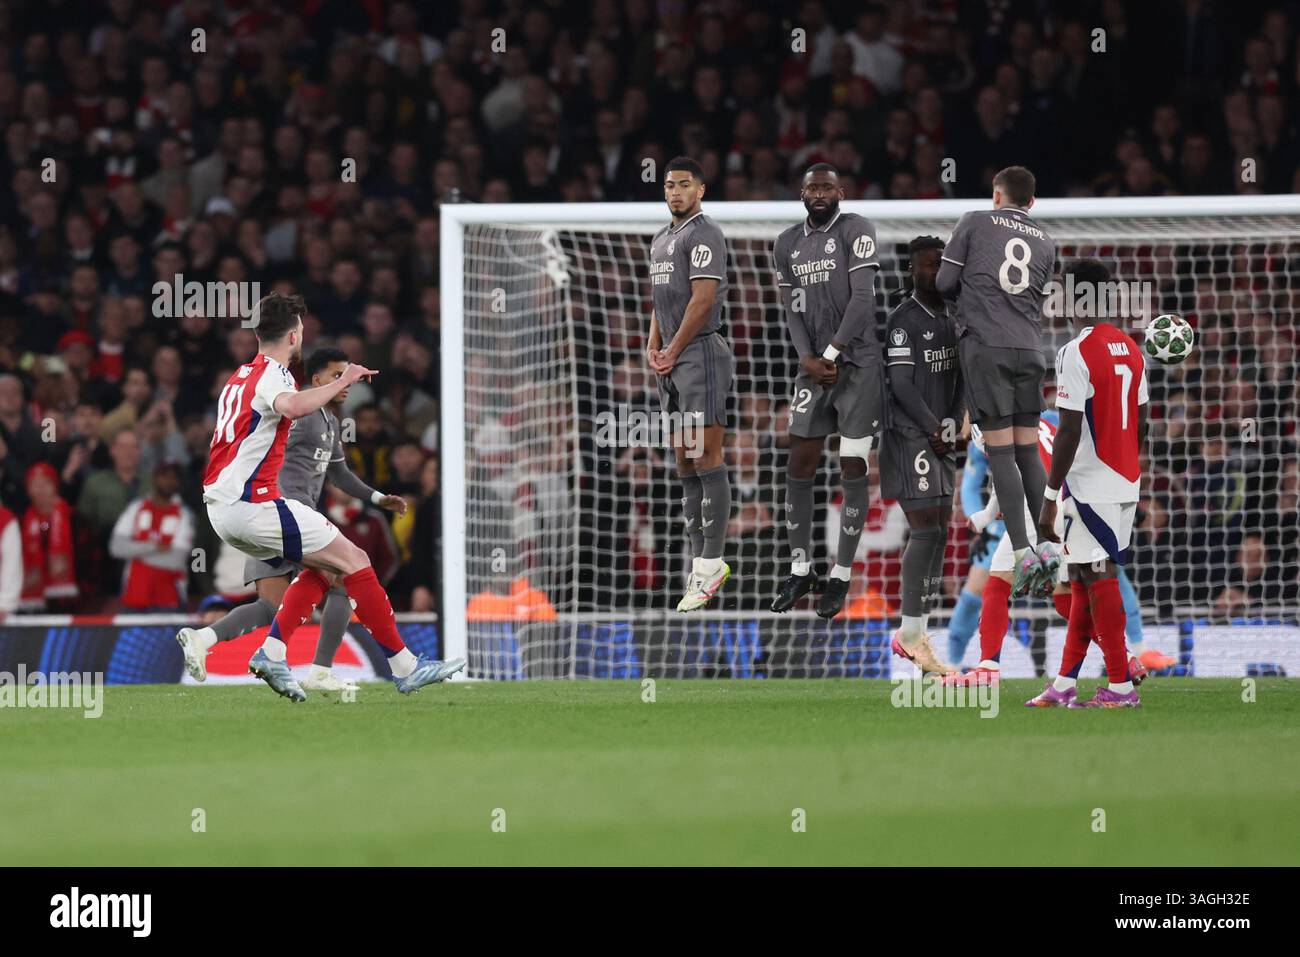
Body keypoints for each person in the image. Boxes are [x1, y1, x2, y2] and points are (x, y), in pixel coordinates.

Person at [176, 292, 463, 701]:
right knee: (356, 562)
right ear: (294, 336)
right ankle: (405, 666)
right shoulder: (275, 377)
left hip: (224, 510)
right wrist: (345, 380)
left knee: (324, 573)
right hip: (257, 505)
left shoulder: (237, 378)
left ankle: (267, 652)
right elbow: (291, 406)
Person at [177, 347, 411, 692]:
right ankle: (319, 669)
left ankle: (205, 639)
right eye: (336, 375)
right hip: (278, 514)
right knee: (345, 575)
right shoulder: (301, 414)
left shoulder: (330, 423)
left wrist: (377, 498)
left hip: (271, 517)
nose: (344, 383)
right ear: (316, 380)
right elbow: (268, 441)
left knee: (271, 606)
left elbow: (340, 473)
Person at [1027, 259, 1150, 708]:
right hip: (1125, 480)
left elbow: (1070, 431)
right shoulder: (1132, 349)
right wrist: (1126, 469)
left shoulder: (1075, 351)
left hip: (1090, 484)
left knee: (1097, 577)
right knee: (1082, 577)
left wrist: (1048, 496)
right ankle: (1064, 683)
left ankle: (1119, 688)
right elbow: (1143, 426)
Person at [770, 163, 885, 619]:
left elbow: (863, 300)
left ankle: (840, 575)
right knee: (798, 460)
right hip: (813, 369)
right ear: (802, 193)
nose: (819, 193)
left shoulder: (856, 230)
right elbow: (792, 308)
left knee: (852, 467)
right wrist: (807, 359)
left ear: (841, 190)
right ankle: (801, 569)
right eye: (812, 187)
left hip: (857, 367)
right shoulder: (786, 243)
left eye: (827, 187)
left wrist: (832, 355)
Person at [937, 165, 1058, 599]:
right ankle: (1046, 545)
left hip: (987, 349)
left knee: (1000, 452)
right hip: (1030, 351)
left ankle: (1024, 552)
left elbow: (945, 282)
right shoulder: (1046, 241)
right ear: (1032, 203)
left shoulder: (973, 220)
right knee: (1027, 449)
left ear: (996, 195)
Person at [645, 156, 734, 612]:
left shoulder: (705, 233)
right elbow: (661, 301)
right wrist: (652, 343)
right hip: (675, 358)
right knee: (684, 457)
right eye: (669, 185)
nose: (675, 192)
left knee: (705, 452)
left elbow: (701, 301)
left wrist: (673, 349)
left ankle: (711, 562)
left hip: (701, 353)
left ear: (700, 190)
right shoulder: (661, 239)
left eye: (684, 185)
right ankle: (699, 564)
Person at [881, 235, 963, 675]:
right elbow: (902, 385)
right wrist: (934, 427)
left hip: (941, 436)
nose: (937, 272)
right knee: (926, 531)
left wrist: (951, 423)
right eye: (929, 265)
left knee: (940, 531)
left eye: (942, 264)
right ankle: (910, 634)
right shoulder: (902, 320)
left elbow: (962, 378)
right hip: (910, 435)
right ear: (913, 269)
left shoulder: (953, 317)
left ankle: (918, 632)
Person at [110, 461, 195, 610]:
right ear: (155, 478)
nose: (169, 481)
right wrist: (156, 547)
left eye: (174, 477)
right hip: (133, 595)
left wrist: (135, 553)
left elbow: (177, 559)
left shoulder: (185, 515)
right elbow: (116, 548)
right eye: (164, 476)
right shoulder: (136, 508)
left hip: (169, 600)